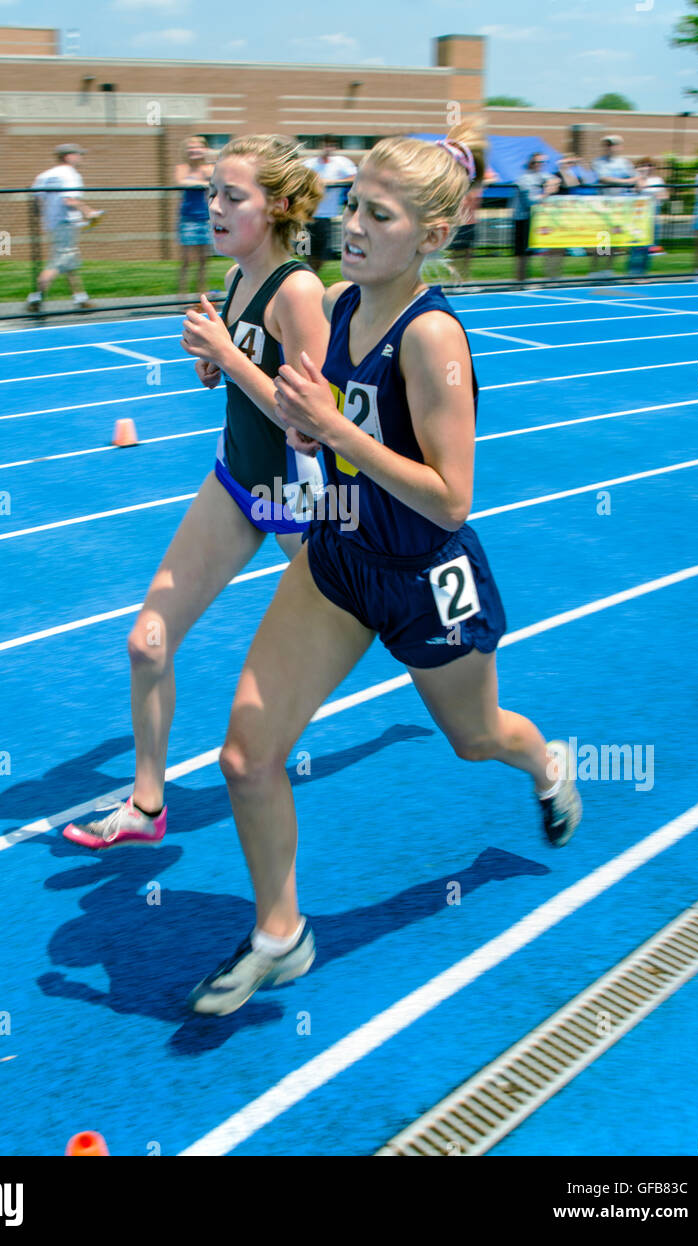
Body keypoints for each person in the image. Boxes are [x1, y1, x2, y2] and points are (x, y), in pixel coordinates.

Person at [188, 130, 581, 1016]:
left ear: (432, 235)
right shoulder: (333, 299)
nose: (351, 225)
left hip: (423, 571)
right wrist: (264, 393)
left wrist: (337, 434)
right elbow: (311, 417)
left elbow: (451, 499)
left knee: (476, 739)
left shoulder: (430, 335)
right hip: (339, 551)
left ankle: (545, 762)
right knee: (247, 757)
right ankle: (281, 937)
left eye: (378, 214)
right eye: (350, 204)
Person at [63, 136, 327, 851]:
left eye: (231, 196)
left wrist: (228, 357)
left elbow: (309, 419)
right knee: (146, 643)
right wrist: (220, 368)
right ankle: (146, 809)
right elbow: (250, 383)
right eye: (212, 192)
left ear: (273, 208)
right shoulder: (239, 275)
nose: (212, 207)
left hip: (298, 501)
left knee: (394, 628)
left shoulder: (299, 291)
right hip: (237, 482)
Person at [25, 144, 103, 315]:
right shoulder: (70, 175)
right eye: (78, 154)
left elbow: (35, 200)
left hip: (53, 224)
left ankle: (81, 298)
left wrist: (45, 218)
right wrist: (89, 212)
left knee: (69, 261)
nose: (81, 158)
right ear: (68, 157)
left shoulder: (45, 175)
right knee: (59, 261)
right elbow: (69, 200)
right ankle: (35, 298)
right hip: (67, 223)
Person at [304, 136, 357, 274]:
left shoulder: (341, 163)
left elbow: (355, 177)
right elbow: (299, 178)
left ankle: (312, 274)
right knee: (306, 250)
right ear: (320, 146)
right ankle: (309, 274)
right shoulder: (310, 164)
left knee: (324, 253)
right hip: (309, 213)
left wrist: (332, 182)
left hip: (329, 215)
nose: (327, 148)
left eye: (331, 145)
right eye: (325, 145)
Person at [590, 135, 637, 278]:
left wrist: (631, 181)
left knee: (615, 239)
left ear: (620, 147)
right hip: (604, 205)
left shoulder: (625, 163)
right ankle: (595, 270)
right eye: (608, 145)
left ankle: (608, 269)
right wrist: (626, 181)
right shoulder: (598, 162)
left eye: (614, 145)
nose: (611, 148)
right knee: (602, 240)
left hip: (620, 206)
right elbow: (604, 178)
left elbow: (636, 178)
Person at [448, 158, 497, 288]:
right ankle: (455, 282)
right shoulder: (456, 176)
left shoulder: (477, 174)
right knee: (456, 253)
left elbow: (493, 178)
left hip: (472, 220)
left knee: (468, 253)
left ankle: (464, 280)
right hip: (458, 221)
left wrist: (479, 181)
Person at [175, 135, 214, 295]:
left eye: (198, 146)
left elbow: (217, 181)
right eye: (191, 147)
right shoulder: (182, 168)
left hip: (205, 217)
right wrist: (204, 183)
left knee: (204, 261)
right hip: (188, 218)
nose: (194, 150)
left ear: (204, 149)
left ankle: (201, 296)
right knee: (186, 261)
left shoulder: (209, 169)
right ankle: (182, 297)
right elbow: (181, 182)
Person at [512, 151, 558, 284]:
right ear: (530, 163)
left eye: (542, 162)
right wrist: (547, 192)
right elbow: (530, 201)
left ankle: (537, 279)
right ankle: (521, 281)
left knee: (537, 250)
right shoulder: (524, 178)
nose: (539, 165)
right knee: (523, 253)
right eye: (536, 162)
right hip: (524, 217)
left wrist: (552, 182)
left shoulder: (543, 175)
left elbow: (555, 179)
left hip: (538, 219)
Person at [628, 158, 667, 277]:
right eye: (644, 165)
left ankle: (644, 273)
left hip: (653, 214)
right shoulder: (636, 178)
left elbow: (664, 196)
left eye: (649, 165)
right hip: (639, 216)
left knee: (649, 247)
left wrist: (652, 193)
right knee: (637, 246)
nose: (647, 168)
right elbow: (638, 190)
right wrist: (641, 177)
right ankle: (633, 273)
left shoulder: (658, 179)